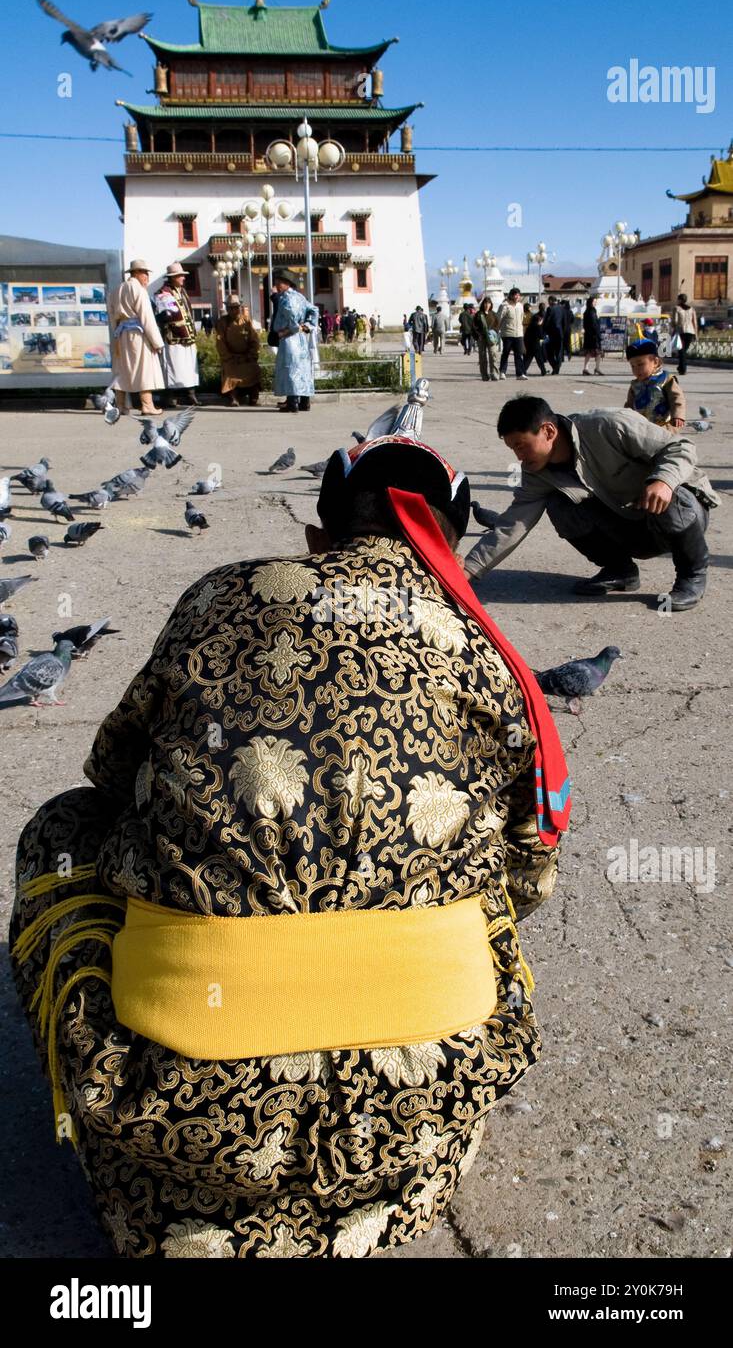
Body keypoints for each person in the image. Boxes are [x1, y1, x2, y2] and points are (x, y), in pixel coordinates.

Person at [9, 398, 570, 1259]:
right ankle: (375, 1196)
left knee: (63, 829)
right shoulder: (483, 647)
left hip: (176, 1108)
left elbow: (110, 771)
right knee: (485, 883)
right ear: (447, 548)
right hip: (419, 1097)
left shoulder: (221, 592)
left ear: (317, 535)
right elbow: (532, 869)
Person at [464, 395, 718, 612]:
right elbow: (512, 525)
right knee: (559, 504)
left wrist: (663, 480)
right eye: (513, 449)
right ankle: (620, 571)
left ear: (548, 431)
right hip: (632, 526)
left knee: (671, 493)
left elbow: (681, 447)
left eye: (521, 445)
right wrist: (467, 572)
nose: (519, 456)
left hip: (682, 515)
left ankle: (691, 576)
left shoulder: (608, 424)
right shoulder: (536, 472)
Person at [108, 258, 165, 418]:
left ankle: (120, 406)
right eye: (145, 273)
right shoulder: (138, 289)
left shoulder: (116, 290)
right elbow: (146, 317)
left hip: (121, 334)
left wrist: (116, 333)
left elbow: (112, 316)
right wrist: (157, 342)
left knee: (122, 369)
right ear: (137, 273)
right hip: (138, 334)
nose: (147, 276)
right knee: (144, 368)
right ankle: (147, 405)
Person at [270, 268, 319, 413]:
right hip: (301, 338)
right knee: (302, 370)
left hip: (288, 338)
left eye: (278, 283)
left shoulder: (286, 298)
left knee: (290, 369)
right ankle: (305, 402)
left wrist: (288, 330)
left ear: (286, 283)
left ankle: (292, 403)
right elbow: (314, 310)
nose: (276, 286)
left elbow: (290, 315)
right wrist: (308, 326)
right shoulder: (300, 297)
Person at [153, 263, 200, 408]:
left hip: (188, 336)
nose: (183, 278)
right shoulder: (163, 293)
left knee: (189, 365)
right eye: (180, 276)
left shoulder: (182, 291)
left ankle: (191, 394)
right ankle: (170, 396)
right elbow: (166, 315)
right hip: (173, 337)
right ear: (173, 278)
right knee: (174, 366)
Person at [624, 338, 685, 431]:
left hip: (665, 426)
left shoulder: (666, 379)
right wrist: (625, 418)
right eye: (633, 366)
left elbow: (677, 398)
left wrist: (678, 415)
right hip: (642, 427)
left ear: (656, 362)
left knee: (662, 443)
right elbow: (629, 405)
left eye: (640, 364)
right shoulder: (635, 385)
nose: (636, 369)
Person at [215, 295, 261, 407]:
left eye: (236, 308)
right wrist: (229, 357)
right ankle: (233, 397)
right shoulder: (222, 322)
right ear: (227, 309)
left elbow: (254, 340)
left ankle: (253, 397)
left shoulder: (246, 321)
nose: (233, 310)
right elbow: (220, 342)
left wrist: (250, 355)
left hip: (246, 357)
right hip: (231, 358)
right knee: (229, 370)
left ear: (239, 308)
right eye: (230, 308)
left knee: (254, 368)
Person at [497, 288, 528, 380]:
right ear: (510, 295)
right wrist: (497, 330)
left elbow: (521, 318)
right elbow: (498, 318)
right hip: (507, 333)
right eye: (515, 295)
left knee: (519, 354)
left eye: (518, 295)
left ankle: (519, 374)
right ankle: (502, 372)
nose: (517, 296)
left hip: (518, 334)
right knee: (505, 353)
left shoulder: (520, 306)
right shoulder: (504, 305)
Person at [473, 296, 501, 380]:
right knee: (482, 357)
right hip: (482, 338)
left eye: (488, 303)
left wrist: (494, 332)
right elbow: (474, 326)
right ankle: (484, 375)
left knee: (493, 356)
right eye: (485, 303)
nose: (487, 305)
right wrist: (478, 335)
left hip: (491, 338)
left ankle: (494, 374)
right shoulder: (478, 314)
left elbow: (498, 325)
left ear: (491, 304)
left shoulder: (493, 314)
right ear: (483, 304)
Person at [671, 294, 698, 375]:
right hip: (690, 332)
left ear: (679, 300)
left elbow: (675, 321)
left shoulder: (676, 308)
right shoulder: (692, 309)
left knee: (681, 351)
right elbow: (695, 322)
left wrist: (673, 327)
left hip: (681, 331)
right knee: (683, 351)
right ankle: (680, 367)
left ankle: (683, 369)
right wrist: (696, 334)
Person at [523, 304, 548, 377]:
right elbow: (540, 335)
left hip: (528, 341)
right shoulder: (538, 324)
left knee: (528, 358)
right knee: (539, 358)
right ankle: (543, 371)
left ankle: (523, 370)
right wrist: (543, 336)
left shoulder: (532, 322)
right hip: (535, 343)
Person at [581, 295, 603, 375]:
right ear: (591, 303)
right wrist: (598, 335)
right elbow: (594, 325)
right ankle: (597, 368)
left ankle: (585, 368)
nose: (595, 303)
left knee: (589, 352)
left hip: (588, 335)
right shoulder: (592, 312)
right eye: (594, 301)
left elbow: (585, 325)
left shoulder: (586, 312)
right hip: (593, 336)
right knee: (598, 352)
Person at [543, 296, 565, 375]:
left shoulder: (550, 309)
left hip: (551, 334)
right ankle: (557, 368)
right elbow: (564, 322)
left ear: (551, 301)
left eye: (549, 301)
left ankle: (555, 367)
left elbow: (547, 321)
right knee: (558, 352)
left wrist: (544, 331)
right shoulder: (562, 309)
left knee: (549, 353)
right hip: (560, 333)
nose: (548, 303)